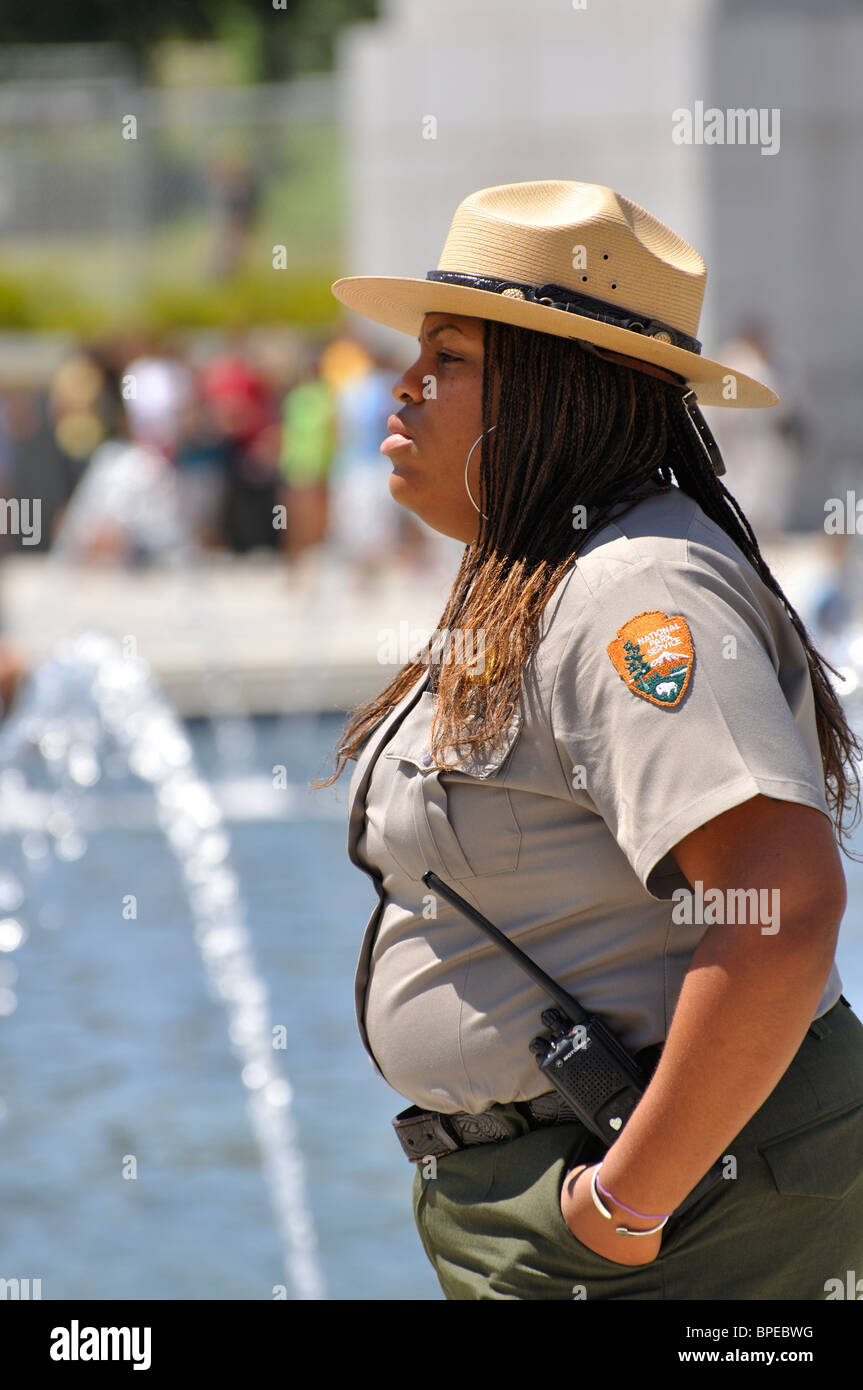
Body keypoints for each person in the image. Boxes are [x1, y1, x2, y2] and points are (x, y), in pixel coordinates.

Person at [315, 180, 863, 1300]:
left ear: (558, 390)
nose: (402, 384)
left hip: (687, 1209)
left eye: (450, 357)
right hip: (623, 1193)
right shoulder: (554, 573)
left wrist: (621, 1206)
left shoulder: (633, 590)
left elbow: (778, 906)